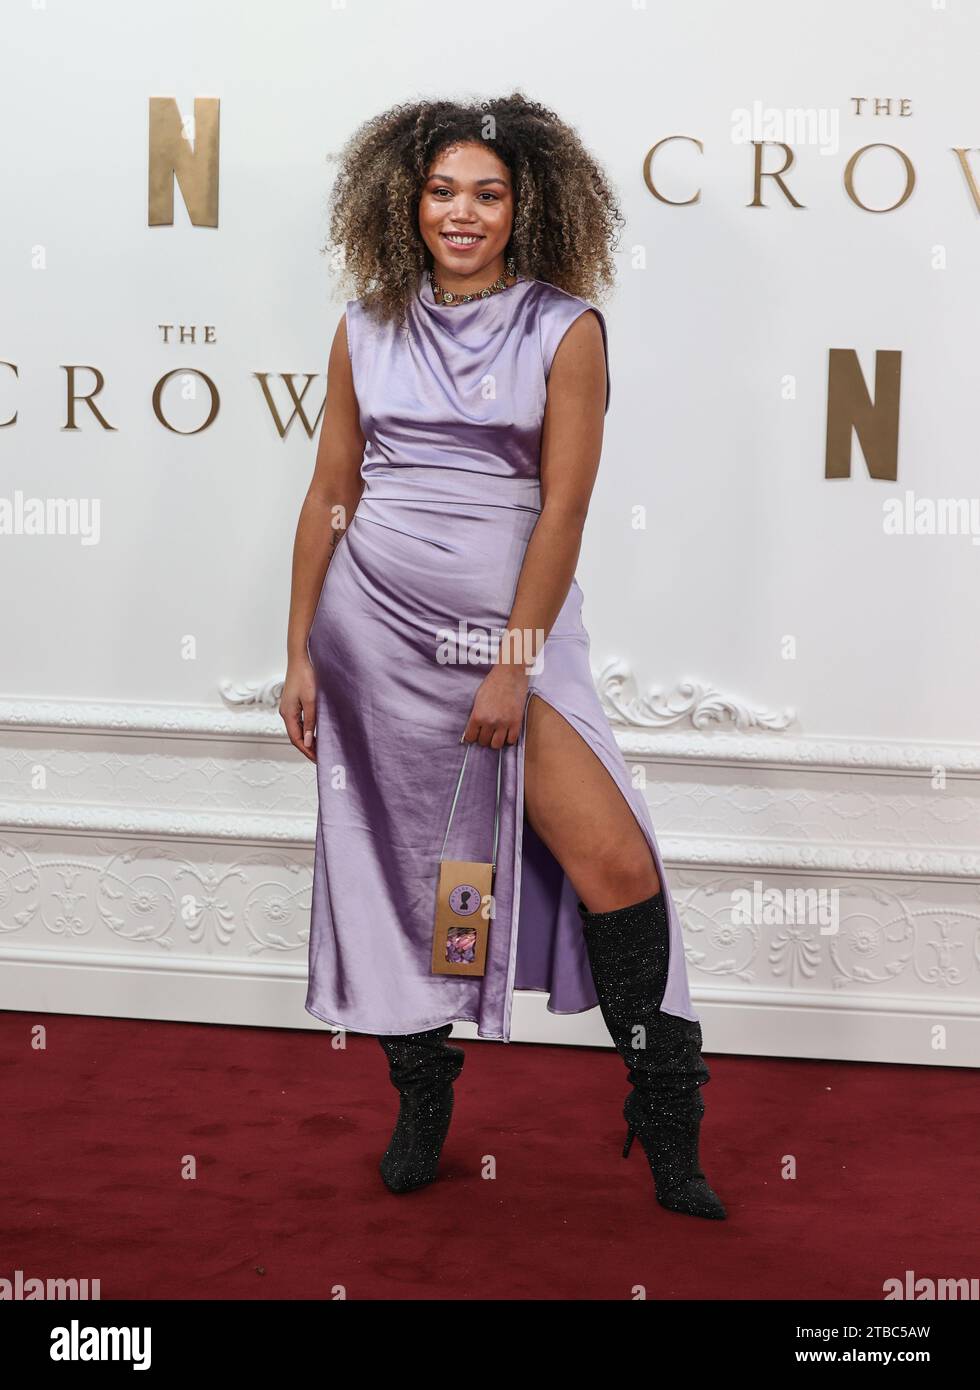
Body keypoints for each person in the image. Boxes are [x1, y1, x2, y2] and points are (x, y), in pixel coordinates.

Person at [280, 93, 726, 1220]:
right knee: (409, 873)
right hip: (370, 627)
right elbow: (332, 493)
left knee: (614, 864)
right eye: (442, 192)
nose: (462, 212)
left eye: (486, 192)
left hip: (507, 639)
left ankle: (665, 1123)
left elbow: (564, 508)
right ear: (406, 200)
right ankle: (422, 1096)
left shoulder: (562, 327)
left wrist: (515, 662)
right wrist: (295, 650)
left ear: (524, 204)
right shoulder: (362, 326)